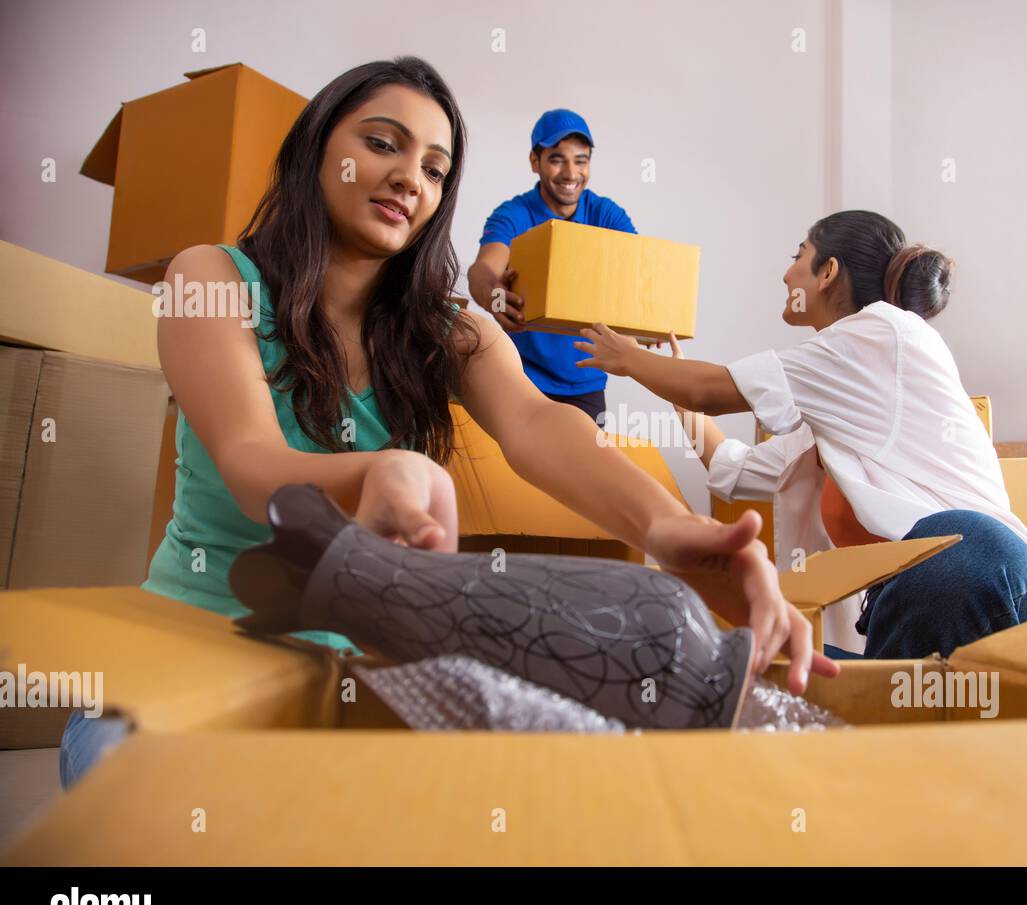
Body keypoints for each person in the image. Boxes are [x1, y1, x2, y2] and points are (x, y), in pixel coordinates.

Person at [58, 58, 833, 788]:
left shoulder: (447, 328)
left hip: (337, 681)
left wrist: (672, 529)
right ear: (315, 148)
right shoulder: (214, 277)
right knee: (159, 817)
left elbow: (537, 423)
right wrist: (378, 471)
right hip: (180, 665)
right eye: (383, 143)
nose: (409, 177)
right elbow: (250, 460)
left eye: (434, 168)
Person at [575, 210, 1027, 658]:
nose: (786, 273)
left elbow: (712, 390)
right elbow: (728, 468)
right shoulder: (838, 408)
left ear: (828, 271)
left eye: (797, 255)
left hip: (977, 574)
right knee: (767, 657)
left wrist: (627, 357)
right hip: (927, 599)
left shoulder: (883, 332)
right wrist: (670, 378)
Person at [466, 109, 635, 424]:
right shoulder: (514, 214)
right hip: (521, 376)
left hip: (585, 381)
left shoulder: (605, 214)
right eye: (557, 159)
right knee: (515, 471)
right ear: (535, 161)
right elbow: (483, 270)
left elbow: (638, 270)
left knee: (585, 469)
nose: (571, 173)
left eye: (581, 160)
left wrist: (645, 316)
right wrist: (493, 294)